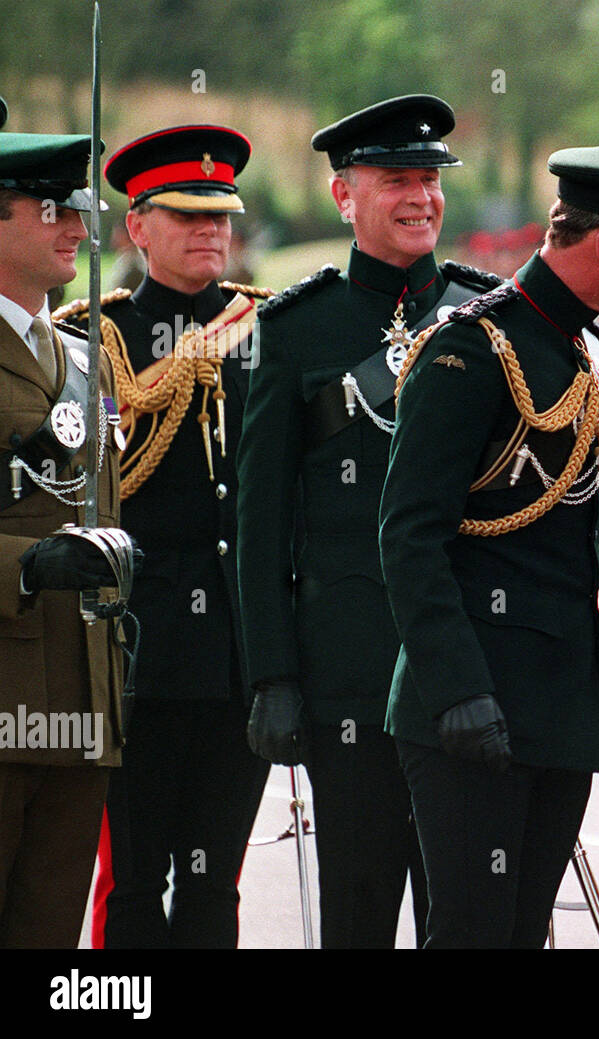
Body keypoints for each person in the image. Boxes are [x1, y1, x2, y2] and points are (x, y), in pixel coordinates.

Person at [380, 145, 599, 947]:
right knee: (472, 932)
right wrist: (458, 688)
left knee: (522, 932)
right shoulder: (471, 350)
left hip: (556, 701)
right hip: (475, 703)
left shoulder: (584, 349)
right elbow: (408, 534)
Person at [237, 94, 498, 948]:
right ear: (345, 196)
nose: (421, 197)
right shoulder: (295, 330)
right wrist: (273, 673)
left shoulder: (484, 316)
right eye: (397, 181)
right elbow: (261, 522)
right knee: (356, 909)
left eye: (430, 179)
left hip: (464, 673)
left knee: (466, 913)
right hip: (346, 671)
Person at [58, 124, 272, 948]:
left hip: (237, 654)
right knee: (135, 883)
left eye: (220, 216)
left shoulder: (267, 335)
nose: (209, 231)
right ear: (137, 227)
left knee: (216, 883)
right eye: (186, 216)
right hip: (136, 651)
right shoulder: (90, 341)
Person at [0, 130, 135, 947]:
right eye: (52, 211)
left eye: (80, 212)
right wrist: (27, 564)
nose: (77, 231)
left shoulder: (89, 361)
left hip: (81, 707)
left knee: (48, 937)